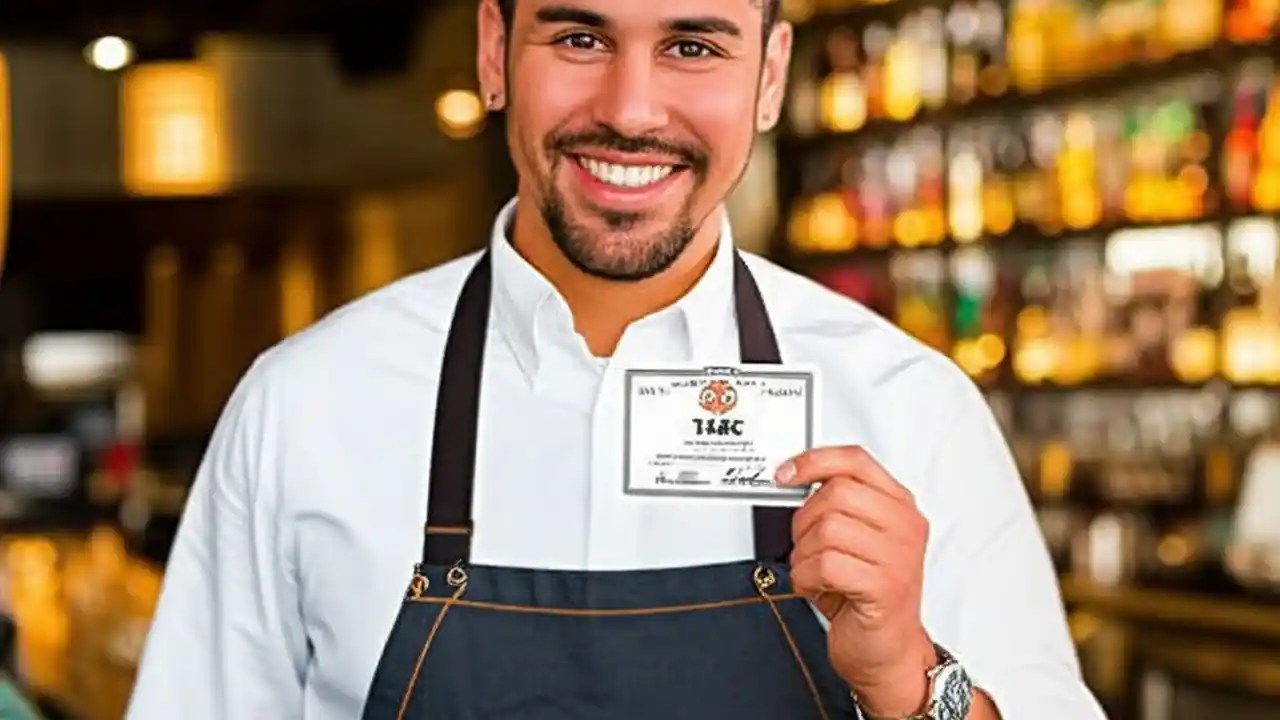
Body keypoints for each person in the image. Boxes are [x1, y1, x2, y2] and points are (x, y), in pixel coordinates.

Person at [126, 0, 1107, 718]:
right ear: (494, 52)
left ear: (769, 77)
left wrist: (907, 679)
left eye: (693, 46)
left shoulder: (910, 410)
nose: (631, 110)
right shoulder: (303, 407)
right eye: (579, 38)